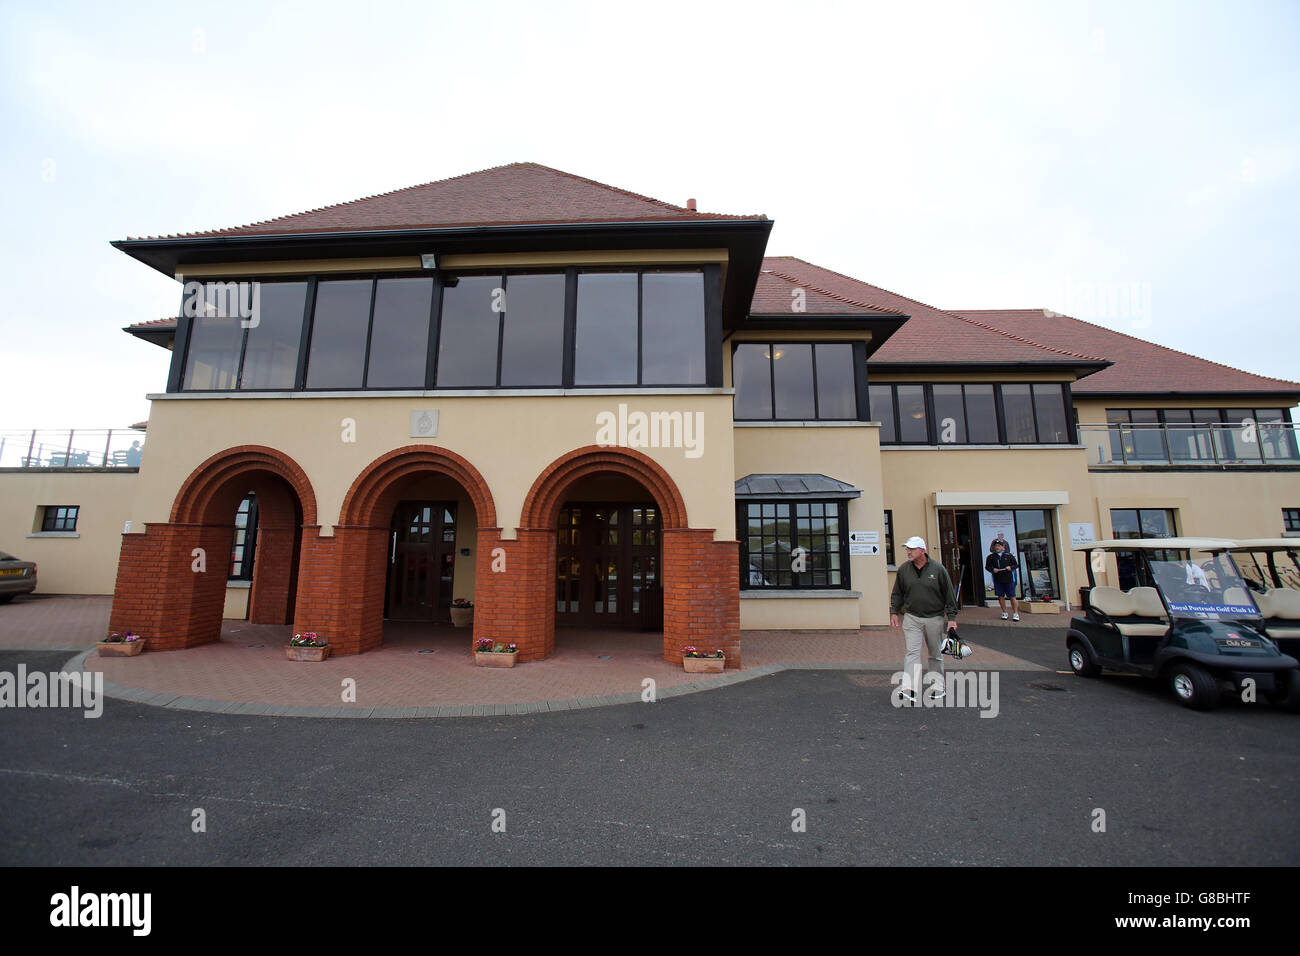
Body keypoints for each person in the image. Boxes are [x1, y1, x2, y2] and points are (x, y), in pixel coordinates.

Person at [890, 535, 959, 702]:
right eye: (908, 549)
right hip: (912, 616)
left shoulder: (938, 569)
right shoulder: (904, 569)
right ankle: (909, 689)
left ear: (922, 550)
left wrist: (952, 617)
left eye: (912, 549)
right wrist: (893, 612)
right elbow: (898, 592)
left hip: (934, 618)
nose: (909, 552)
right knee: (912, 653)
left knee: (935, 654)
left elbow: (949, 593)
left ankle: (938, 686)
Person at [985, 538, 1020, 620]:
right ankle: (1004, 612)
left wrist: (1010, 567)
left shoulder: (1008, 555)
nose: (997, 547)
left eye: (999, 546)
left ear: (1003, 547)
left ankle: (1015, 613)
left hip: (1009, 579)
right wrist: (992, 569)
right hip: (998, 580)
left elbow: (1016, 565)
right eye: (996, 546)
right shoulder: (991, 557)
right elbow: (987, 567)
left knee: (1012, 596)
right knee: (1000, 596)